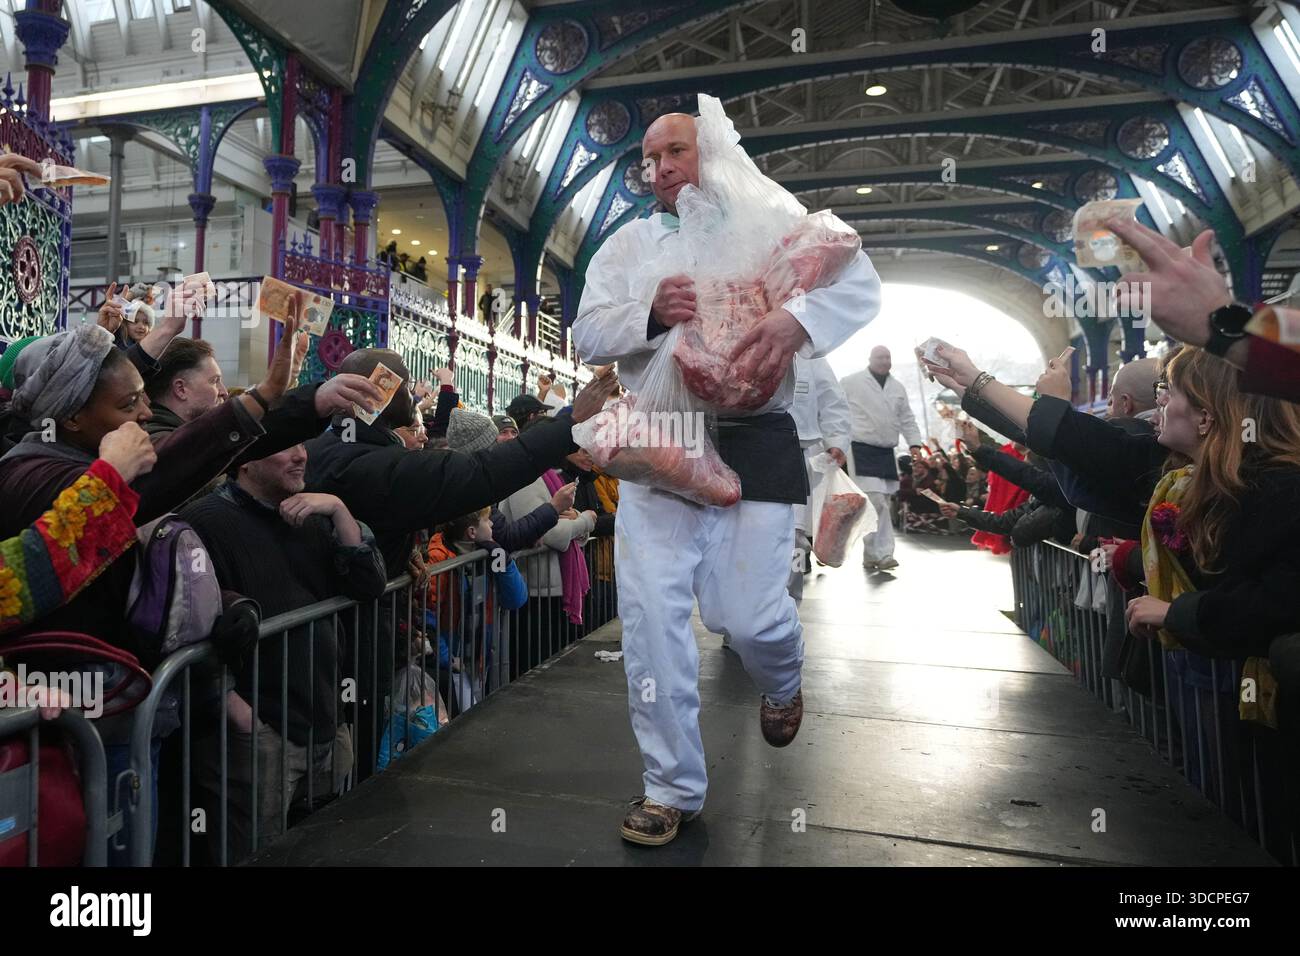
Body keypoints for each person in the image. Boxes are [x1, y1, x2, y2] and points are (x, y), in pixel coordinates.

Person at [572, 105, 881, 845]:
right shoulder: (631, 245)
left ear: (711, 149)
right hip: (660, 444)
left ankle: (782, 676)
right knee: (651, 624)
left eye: (676, 149)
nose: (661, 167)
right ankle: (670, 788)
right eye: (650, 158)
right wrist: (647, 313)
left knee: (745, 617)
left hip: (756, 439)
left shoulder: (771, 220)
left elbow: (857, 281)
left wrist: (795, 320)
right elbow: (585, 332)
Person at [182, 443, 387, 862]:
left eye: (302, 444)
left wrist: (339, 510)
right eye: (284, 447)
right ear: (245, 459)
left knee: (324, 843)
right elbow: (186, 625)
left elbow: (369, 585)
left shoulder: (309, 515)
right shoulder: (203, 523)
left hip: (324, 716)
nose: (301, 455)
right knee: (257, 852)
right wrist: (241, 716)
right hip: (261, 729)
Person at [0, 422, 155, 634]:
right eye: (128, 403)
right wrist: (113, 474)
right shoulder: (36, 474)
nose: (146, 411)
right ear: (72, 420)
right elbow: (23, 576)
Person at [841, 346, 925, 571]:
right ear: (870, 359)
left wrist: (915, 443)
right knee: (874, 501)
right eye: (880, 357)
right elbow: (836, 410)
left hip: (887, 450)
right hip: (860, 447)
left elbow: (907, 417)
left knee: (884, 503)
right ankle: (877, 552)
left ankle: (881, 554)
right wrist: (834, 443)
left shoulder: (897, 387)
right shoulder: (851, 382)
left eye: (888, 357)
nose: (884, 360)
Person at [789, 355, 851, 584]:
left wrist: (836, 440)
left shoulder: (809, 351)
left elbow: (831, 399)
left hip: (798, 451)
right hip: (743, 448)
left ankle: (786, 608)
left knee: (793, 534)